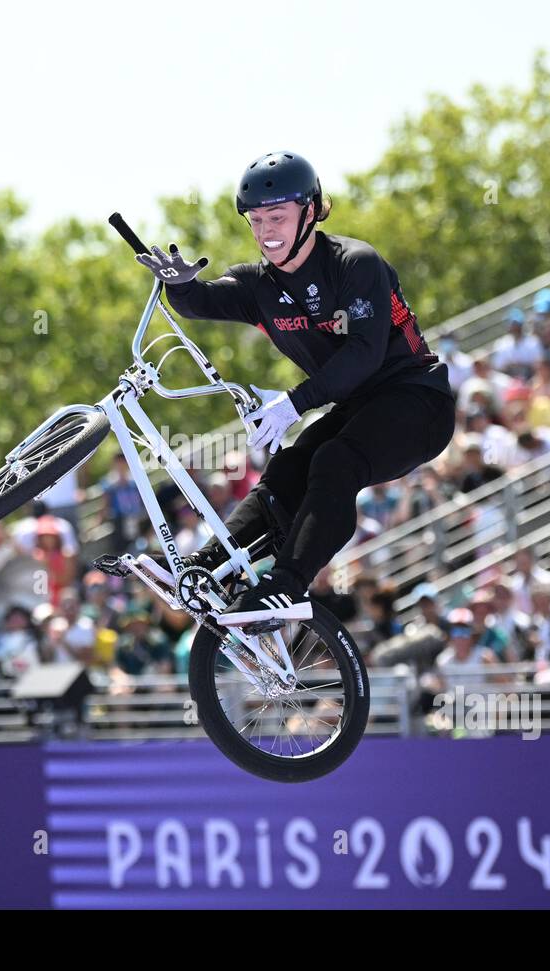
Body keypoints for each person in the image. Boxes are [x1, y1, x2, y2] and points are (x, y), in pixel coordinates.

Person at [130, 151, 456, 630]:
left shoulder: (355, 264)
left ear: (310, 211)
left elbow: (363, 354)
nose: (265, 230)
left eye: (277, 216)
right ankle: (205, 566)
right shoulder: (256, 285)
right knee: (290, 467)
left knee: (334, 461)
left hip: (418, 400)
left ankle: (284, 587)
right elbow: (201, 300)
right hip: (360, 406)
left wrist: (295, 402)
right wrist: (179, 286)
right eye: (256, 219)